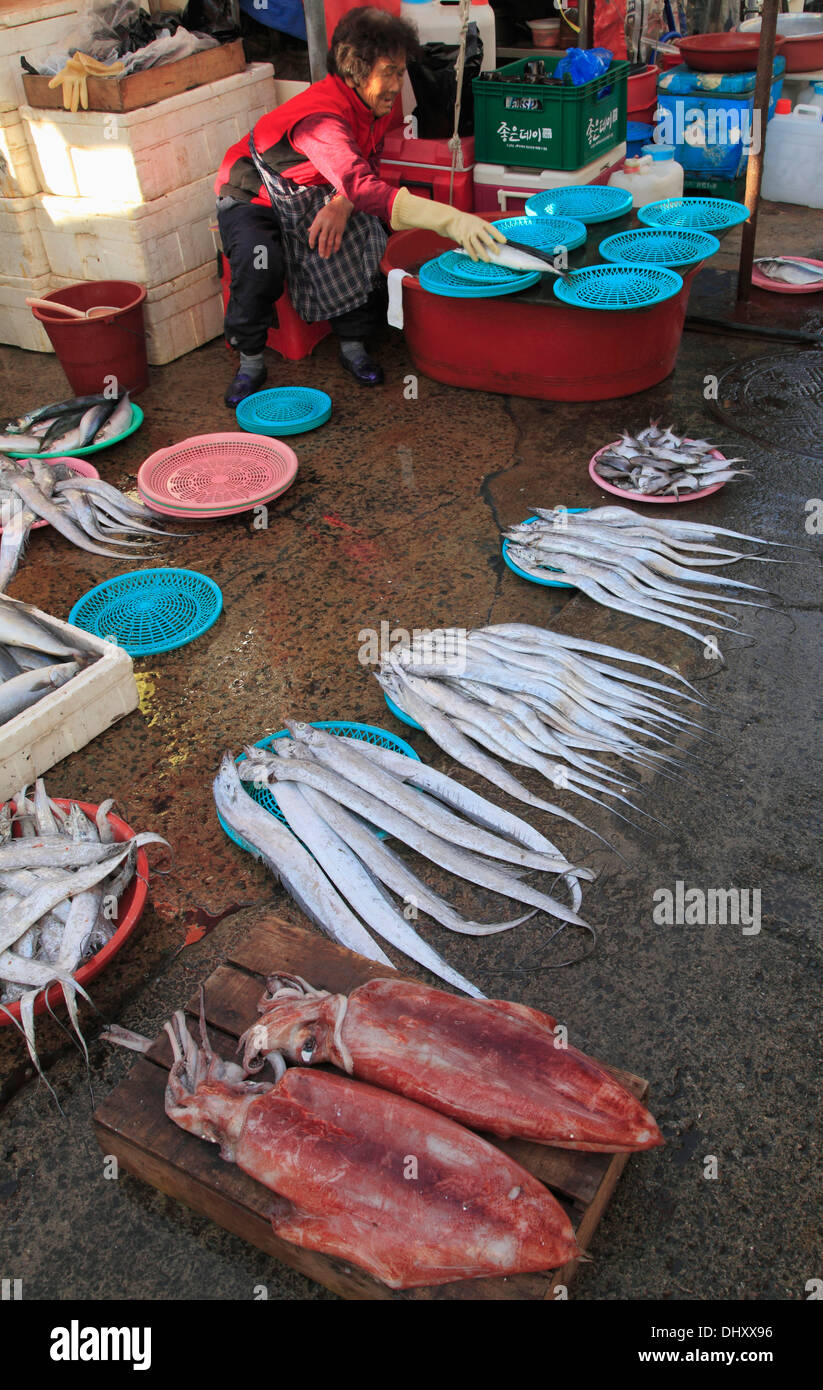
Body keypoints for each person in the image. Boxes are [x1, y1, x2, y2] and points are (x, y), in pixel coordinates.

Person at [215, 5, 505, 406]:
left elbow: (364, 167)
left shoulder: (372, 106)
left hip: (318, 190)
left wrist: (341, 204)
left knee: (365, 235)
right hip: (254, 194)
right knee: (259, 258)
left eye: (400, 72)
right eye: (388, 72)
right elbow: (362, 183)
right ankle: (249, 360)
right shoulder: (321, 120)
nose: (395, 84)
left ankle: (353, 344)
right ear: (356, 70)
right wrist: (450, 220)